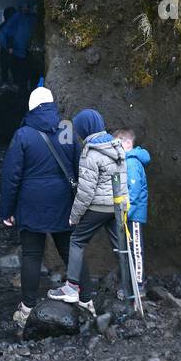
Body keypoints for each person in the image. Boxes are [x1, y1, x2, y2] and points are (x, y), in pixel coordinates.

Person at [0, 85, 95, 329]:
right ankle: (87, 300)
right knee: (69, 249)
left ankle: (28, 306)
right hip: (63, 201)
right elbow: (80, 167)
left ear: (31, 107)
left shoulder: (23, 134)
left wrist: (6, 210)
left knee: (32, 255)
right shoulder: (67, 129)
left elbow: (11, 176)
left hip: (31, 203)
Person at [49, 108, 127, 306]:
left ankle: (72, 288)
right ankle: (131, 287)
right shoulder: (116, 146)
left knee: (76, 240)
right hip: (118, 206)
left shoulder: (90, 152)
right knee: (121, 247)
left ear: (85, 129)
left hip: (99, 206)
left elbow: (85, 191)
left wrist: (74, 216)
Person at [116, 128, 150, 291]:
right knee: (132, 247)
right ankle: (132, 282)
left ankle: (139, 283)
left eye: (117, 144)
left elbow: (134, 192)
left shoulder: (132, 163)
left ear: (127, 143)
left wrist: (126, 213)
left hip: (134, 214)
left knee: (136, 248)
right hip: (131, 213)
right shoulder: (128, 161)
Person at [0, 7, 16, 85]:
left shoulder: (4, 24)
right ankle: (17, 87)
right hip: (12, 51)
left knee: (5, 70)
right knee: (14, 69)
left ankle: (6, 86)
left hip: (4, 50)